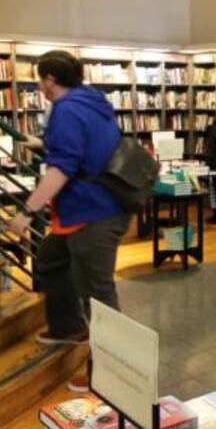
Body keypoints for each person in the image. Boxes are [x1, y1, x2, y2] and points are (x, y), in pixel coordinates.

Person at [8, 50, 128, 393]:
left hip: (95, 212)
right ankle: (69, 328)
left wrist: (27, 211)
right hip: (93, 206)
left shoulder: (66, 109)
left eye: (39, 79)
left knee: (98, 292)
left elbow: (62, 169)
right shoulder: (92, 100)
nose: (39, 85)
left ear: (49, 80)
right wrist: (45, 144)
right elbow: (83, 148)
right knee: (50, 258)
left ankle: (108, 375)